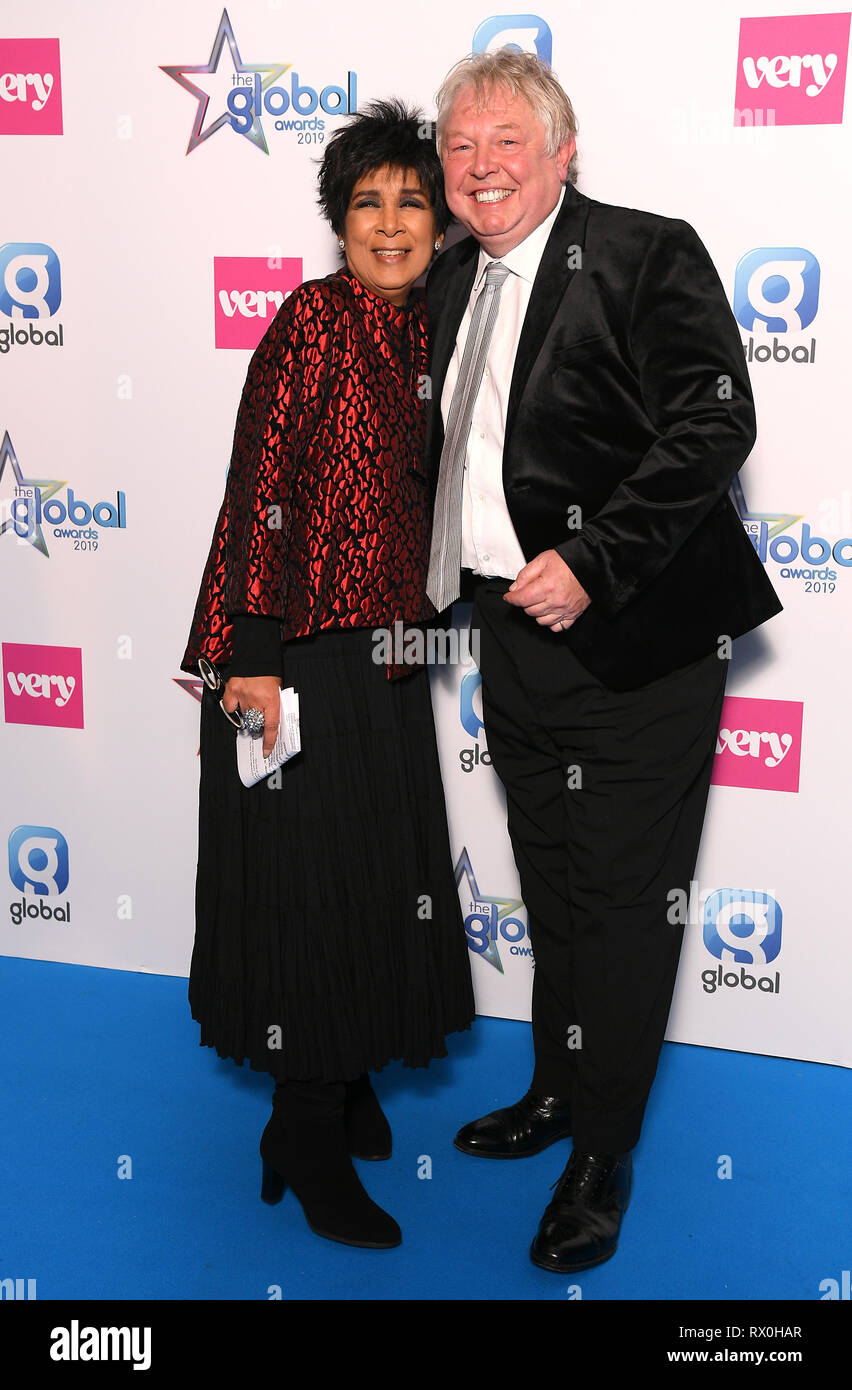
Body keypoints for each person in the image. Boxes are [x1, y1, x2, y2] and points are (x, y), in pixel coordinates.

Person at [425, 50, 782, 1272]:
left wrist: (599, 557)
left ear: (562, 152)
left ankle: (602, 1157)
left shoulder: (639, 249)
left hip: (635, 642)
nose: (481, 168)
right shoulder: (444, 282)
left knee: (625, 905)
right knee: (559, 889)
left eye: (506, 143)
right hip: (511, 642)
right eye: (460, 148)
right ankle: (558, 1094)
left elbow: (716, 413)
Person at [180, 99, 474, 1251]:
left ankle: (346, 1077)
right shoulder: (312, 320)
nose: (394, 223)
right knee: (310, 895)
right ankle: (301, 1126)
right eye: (369, 203)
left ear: (440, 221)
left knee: (376, 876)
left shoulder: (429, 333)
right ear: (336, 221)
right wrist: (247, 658)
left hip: (389, 654)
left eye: (414, 200)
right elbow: (261, 487)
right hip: (289, 658)